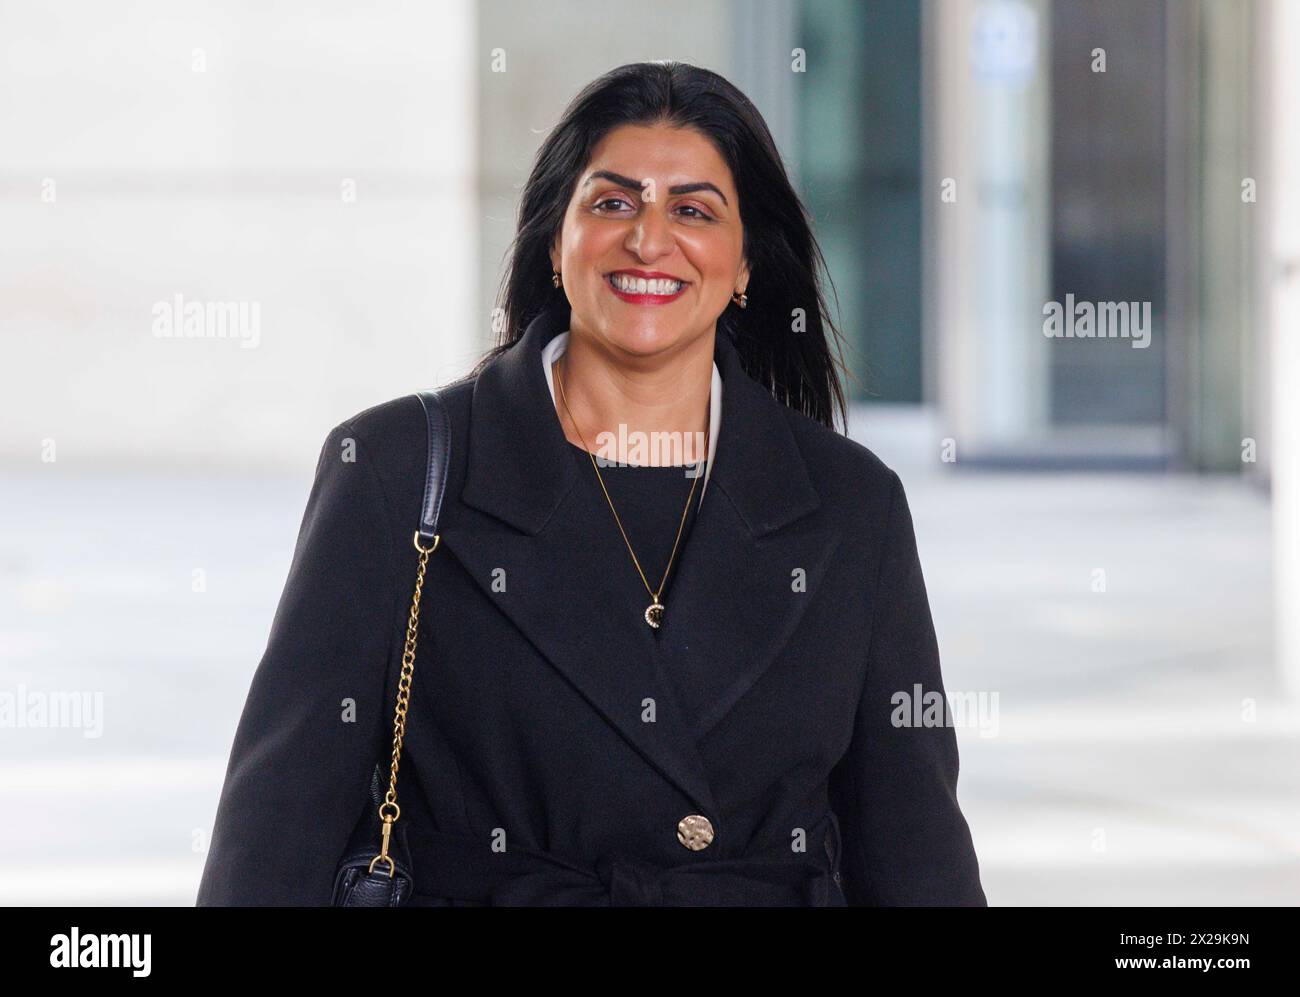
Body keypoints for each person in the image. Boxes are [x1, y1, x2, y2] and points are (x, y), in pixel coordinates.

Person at [196, 60, 986, 906]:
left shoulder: (848, 504)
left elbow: (916, 852)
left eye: (693, 209)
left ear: (747, 261)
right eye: (612, 203)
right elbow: (272, 838)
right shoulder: (395, 471)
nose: (649, 239)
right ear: (554, 239)